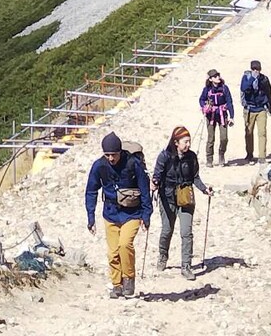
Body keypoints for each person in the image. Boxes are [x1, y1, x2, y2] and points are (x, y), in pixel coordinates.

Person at [84, 131, 150, 298]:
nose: (111, 158)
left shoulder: (133, 164)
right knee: (112, 252)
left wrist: (146, 215)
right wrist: (91, 217)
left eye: (114, 154)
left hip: (132, 213)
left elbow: (144, 189)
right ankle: (117, 285)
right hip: (111, 213)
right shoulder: (99, 166)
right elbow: (91, 191)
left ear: (120, 151)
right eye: (107, 155)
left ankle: (129, 278)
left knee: (124, 244)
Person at [152, 127, 213, 280]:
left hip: (186, 198)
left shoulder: (191, 157)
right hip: (168, 198)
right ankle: (163, 256)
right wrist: (154, 183)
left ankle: (186, 266)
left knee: (187, 233)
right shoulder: (164, 156)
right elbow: (157, 175)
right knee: (167, 230)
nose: (188, 145)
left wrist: (205, 189)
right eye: (185, 142)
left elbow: (195, 177)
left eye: (189, 141)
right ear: (176, 142)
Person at [240, 60, 271, 161]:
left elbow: (269, 93)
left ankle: (262, 156)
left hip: (261, 109)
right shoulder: (246, 77)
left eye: (258, 69)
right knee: (249, 132)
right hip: (249, 109)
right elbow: (244, 88)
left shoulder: (264, 79)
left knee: (262, 132)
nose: (256, 71)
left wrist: (270, 107)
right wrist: (252, 79)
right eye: (254, 69)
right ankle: (249, 153)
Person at [198, 69, 234, 165]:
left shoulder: (224, 88)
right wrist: (204, 107)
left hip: (222, 115)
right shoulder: (207, 90)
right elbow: (201, 99)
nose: (218, 77)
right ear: (210, 79)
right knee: (211, 138)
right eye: (215, 76)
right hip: (211, 116)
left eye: (218, 75)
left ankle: (221, 154)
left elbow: (229, 102)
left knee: (224, 138)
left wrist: (232, 116)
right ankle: (209, 159)